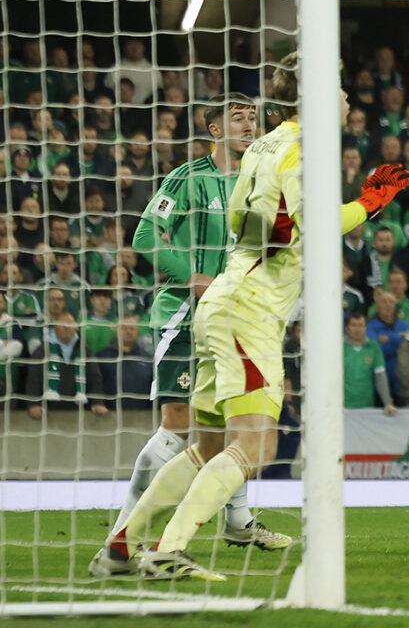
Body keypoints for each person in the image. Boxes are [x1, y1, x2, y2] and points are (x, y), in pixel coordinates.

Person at [100, 55, 409, 581]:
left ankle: (120, 546)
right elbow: (315, 225)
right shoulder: (299, 148)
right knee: (258, 444)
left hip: (225, 297)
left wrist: (279, 232)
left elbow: (244, 221)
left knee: (207, 445)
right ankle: (167, 549)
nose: (346, 101)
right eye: (339, 92)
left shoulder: (264, 144)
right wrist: (370, 203)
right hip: (250, 308)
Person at [90, 93, 292, 577]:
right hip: (185, 315)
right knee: (178, 427)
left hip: (235, 320)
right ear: (215, 130)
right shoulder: (188, 178)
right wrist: (193, 279)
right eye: (237, 119)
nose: (249, 125)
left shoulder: (256, 182)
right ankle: (121, 537)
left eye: (252, 118)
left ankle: (238, 520)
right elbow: (144, 238)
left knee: (228, 422)